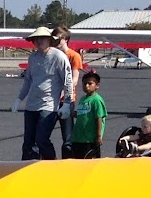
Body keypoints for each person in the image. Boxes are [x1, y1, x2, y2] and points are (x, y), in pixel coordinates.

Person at [13, 27, 70, 160]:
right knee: (28, 141)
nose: (39, 41)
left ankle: (51, 165)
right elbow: (28, 80)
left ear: (49, 40)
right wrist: (19, 99)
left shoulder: (59, 57)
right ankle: (27, 168)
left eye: (42, 38)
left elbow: (67, 80)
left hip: (48, 105)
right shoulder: (32, 57)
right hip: (31, 105)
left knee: (42, 139)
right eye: (36, 39)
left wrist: (67, 102)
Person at [53, 26, 84, 145]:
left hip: (66, 100)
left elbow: (75, 79)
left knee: (68, 136)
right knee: (42, 135)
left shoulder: (74, 56)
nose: (55, 42)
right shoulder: (53, 55)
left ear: (65, 39)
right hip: (51, 100)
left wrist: (64, 91)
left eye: (58, 39)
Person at [66, 70, 106, 158]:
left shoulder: (97, 100)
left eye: (90, 83)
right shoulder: (83, 99)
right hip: (78, 137)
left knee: (89, 162)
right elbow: (83, 114)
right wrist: (73, 114)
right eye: (84, 84)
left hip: (90, 139)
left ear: (97, 85)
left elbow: (99, 118)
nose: (86, 86)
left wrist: (99, 136)